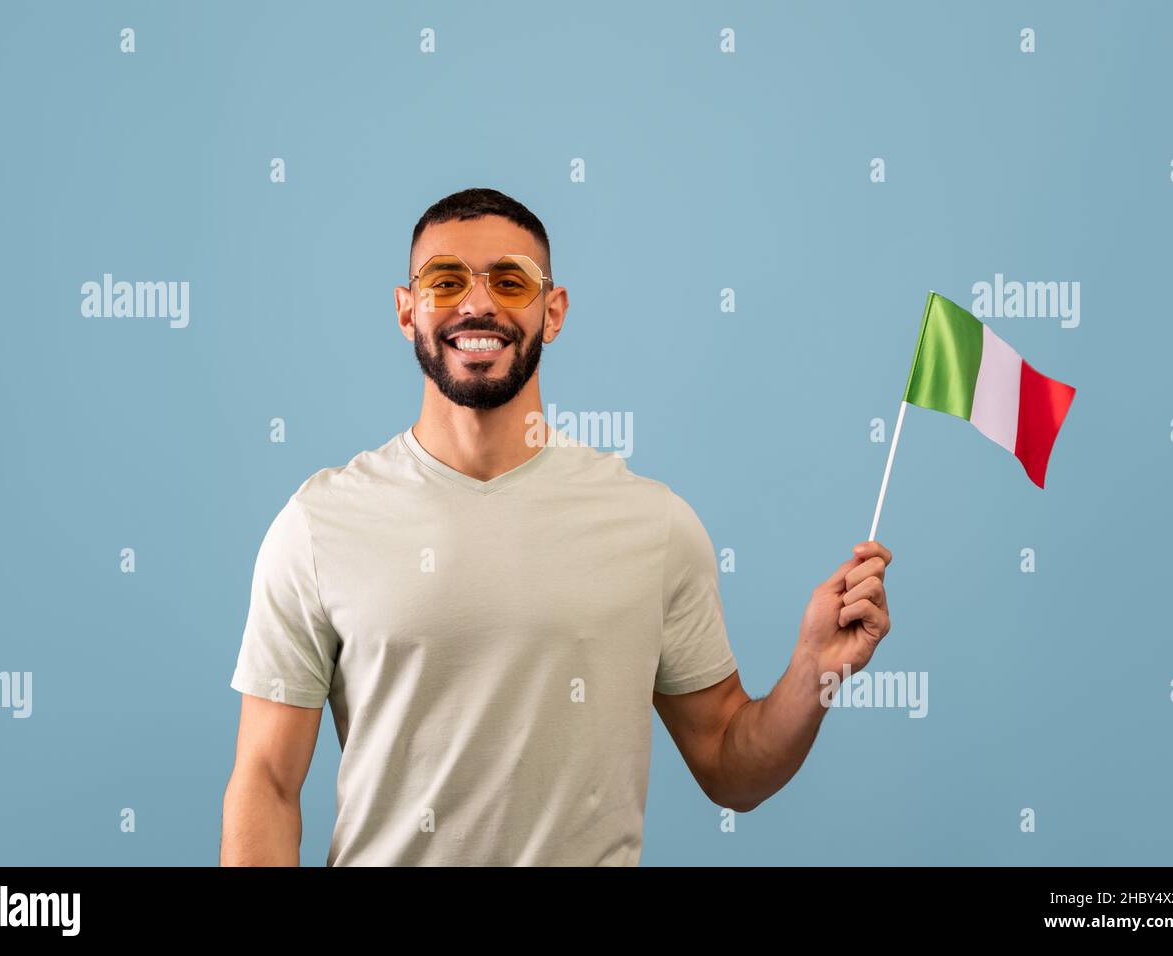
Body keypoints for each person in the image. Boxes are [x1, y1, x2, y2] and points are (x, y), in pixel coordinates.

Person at [220, 187, 893, 866]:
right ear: (407, 310)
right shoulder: (319, 524)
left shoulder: (652, 525)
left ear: (554, 310)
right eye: (445, 280)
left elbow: (729, 765)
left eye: (510, 281)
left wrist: (814, 671)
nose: (478, 304)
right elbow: (267, 783)